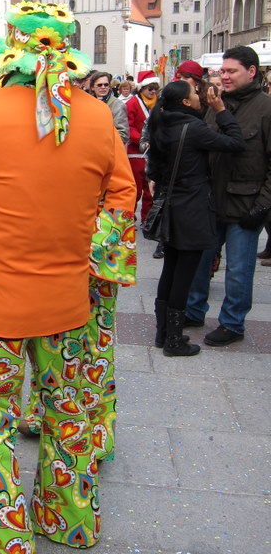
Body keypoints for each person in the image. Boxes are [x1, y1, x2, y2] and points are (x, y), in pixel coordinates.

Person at [0, 1, 137, 554]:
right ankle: (68, 520)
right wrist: (91, 252)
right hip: (70, 304)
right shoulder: (98, 117)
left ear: (11, 49)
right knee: (68, 415)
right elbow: (122, 196)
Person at [147, 80, 245, 356]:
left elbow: (153, 170)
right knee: (184, 275)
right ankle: (175, 341)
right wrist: (222, 110)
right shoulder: (194, 129)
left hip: (171, 208)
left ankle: (162, 333)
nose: (200, 95)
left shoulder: (162, 124)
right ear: (186, 103)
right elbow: (236, 143)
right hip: (192, 209)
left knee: (170, 269)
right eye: (194, 93)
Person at [184, 46, 271, 345]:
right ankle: (194, 311)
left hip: (245, 203)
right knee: (199, 262)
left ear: (251, 71)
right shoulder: (214, 103)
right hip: (210, 201)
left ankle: (232, 324)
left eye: (231, 71)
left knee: (238, 270)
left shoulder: (266, 108)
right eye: (223, 71)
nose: (225, 76)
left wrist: (262, 205)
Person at [126, 70, 160, 225]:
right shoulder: (132, 103)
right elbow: (129, 126)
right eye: (149, 89)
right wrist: (140, 140)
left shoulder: (158, 104)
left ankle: (147, 218)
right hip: (136, 153)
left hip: (154, 152)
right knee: (136, 188)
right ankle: (129, 217)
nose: (152, 92)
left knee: (150, 189)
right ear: (142, 89)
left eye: (155, 89)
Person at [89, 71, 129, 143]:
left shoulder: (118, 105)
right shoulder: (88, 104)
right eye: (99, 85)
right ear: (92, 87)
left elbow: (123, 135)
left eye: (106, 85)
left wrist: (101, 143)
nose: (103, 87)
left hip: (109, 149)